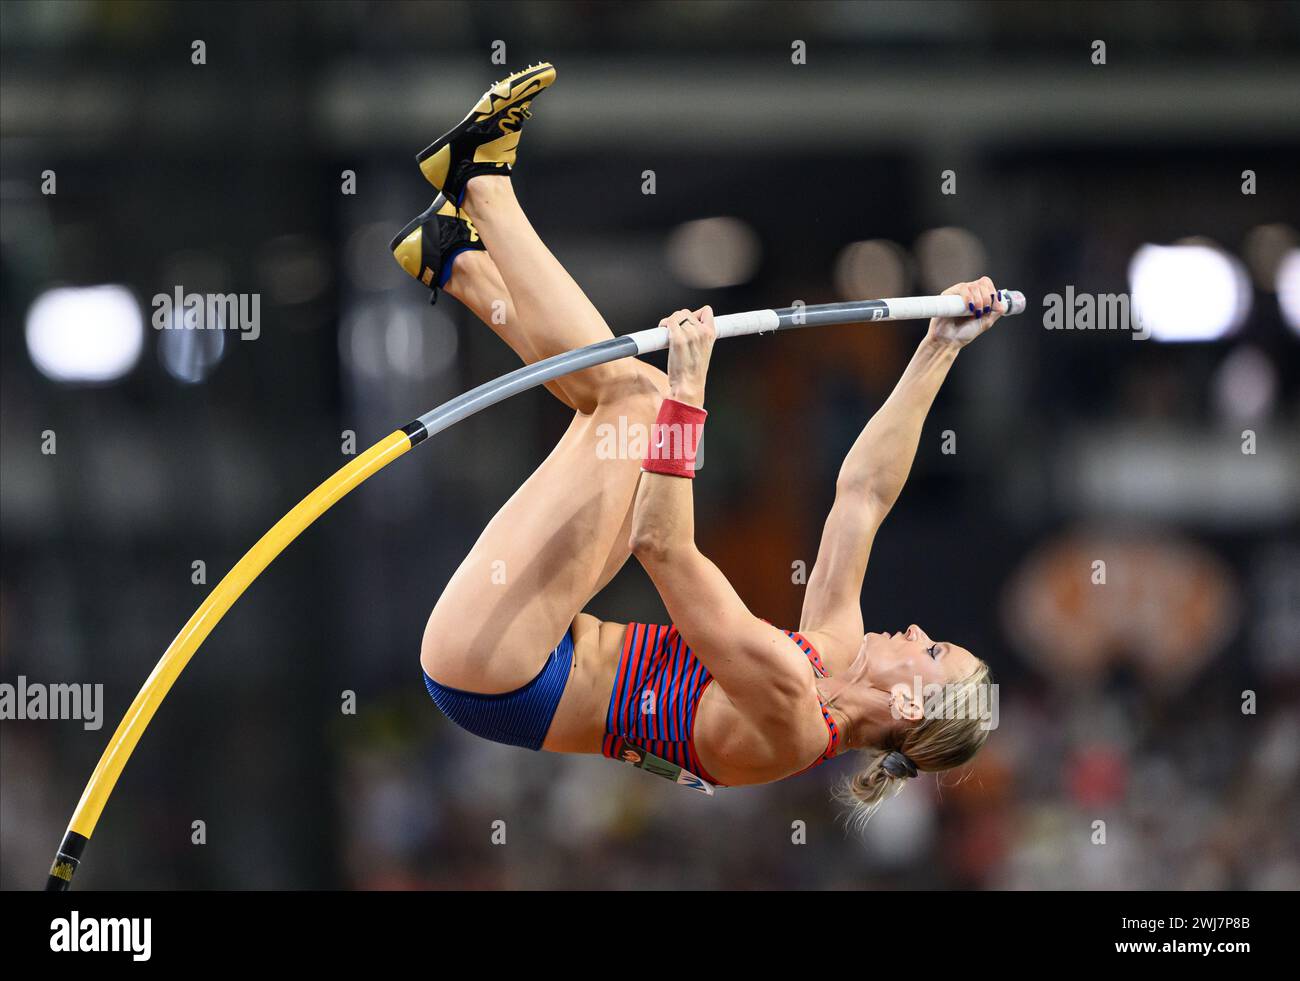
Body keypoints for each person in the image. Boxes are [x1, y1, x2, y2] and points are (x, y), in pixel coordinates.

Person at [392, 63, 998, 821]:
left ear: (910, 706)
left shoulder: (794, 713)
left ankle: (481, 188)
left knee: (638, 400)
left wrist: (690, 393)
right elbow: (863, 494)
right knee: (627, 401)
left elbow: (664, 546)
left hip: (499, 670)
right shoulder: (835, 648)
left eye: (934, 651)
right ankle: (454, 257)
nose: (918, 630)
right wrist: (940, 346)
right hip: (542, 639)